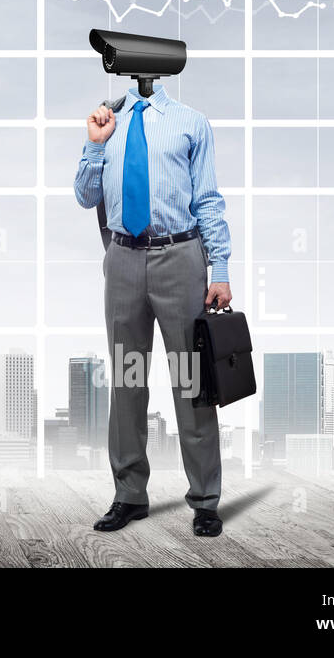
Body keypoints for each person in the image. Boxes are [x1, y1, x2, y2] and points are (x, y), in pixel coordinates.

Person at [74, 82, 232, 538]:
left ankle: (205, 500)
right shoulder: (108, 122)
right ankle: (129, 496)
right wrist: (94, 144)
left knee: (190, 380)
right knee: (127, 379)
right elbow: (86, 196)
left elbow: (207, 199)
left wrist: (218, 267)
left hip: (179, 260)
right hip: (122, 260)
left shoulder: (190, 123)